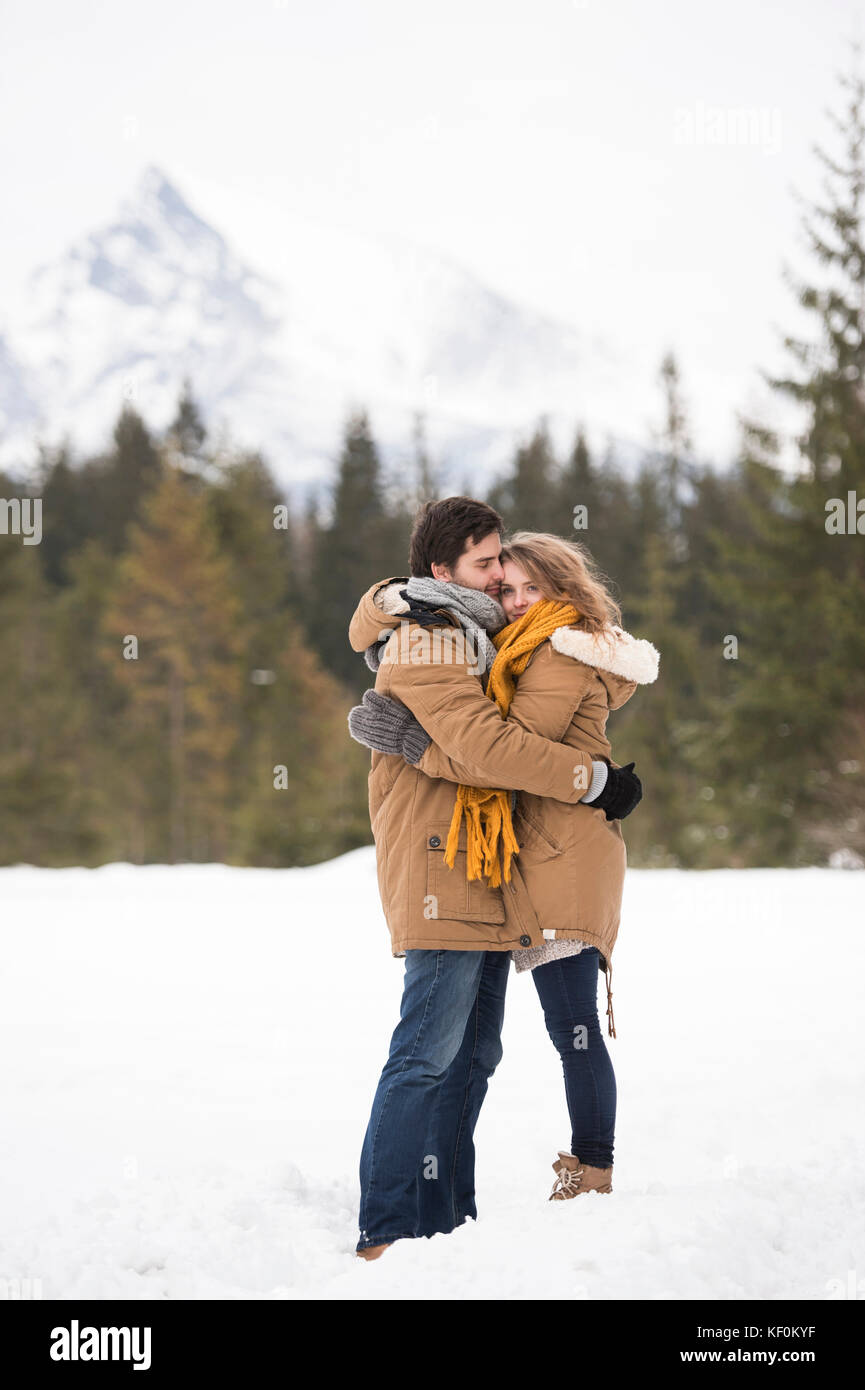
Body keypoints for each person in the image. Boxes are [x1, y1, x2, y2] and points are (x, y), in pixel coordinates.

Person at [345, 498, 652, 1258]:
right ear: (440, 572)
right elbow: (489, 747)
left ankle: (446, 1218)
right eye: (486, 570)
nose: (497, 589)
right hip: (438, 864)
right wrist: (591, 780)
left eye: (508, 574)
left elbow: (491, 744)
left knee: (474, 1055)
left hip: (487, 864)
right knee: (426, 1051)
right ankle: (387, 1224)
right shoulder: (428, 639)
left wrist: (417, 743)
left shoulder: (483, 637)